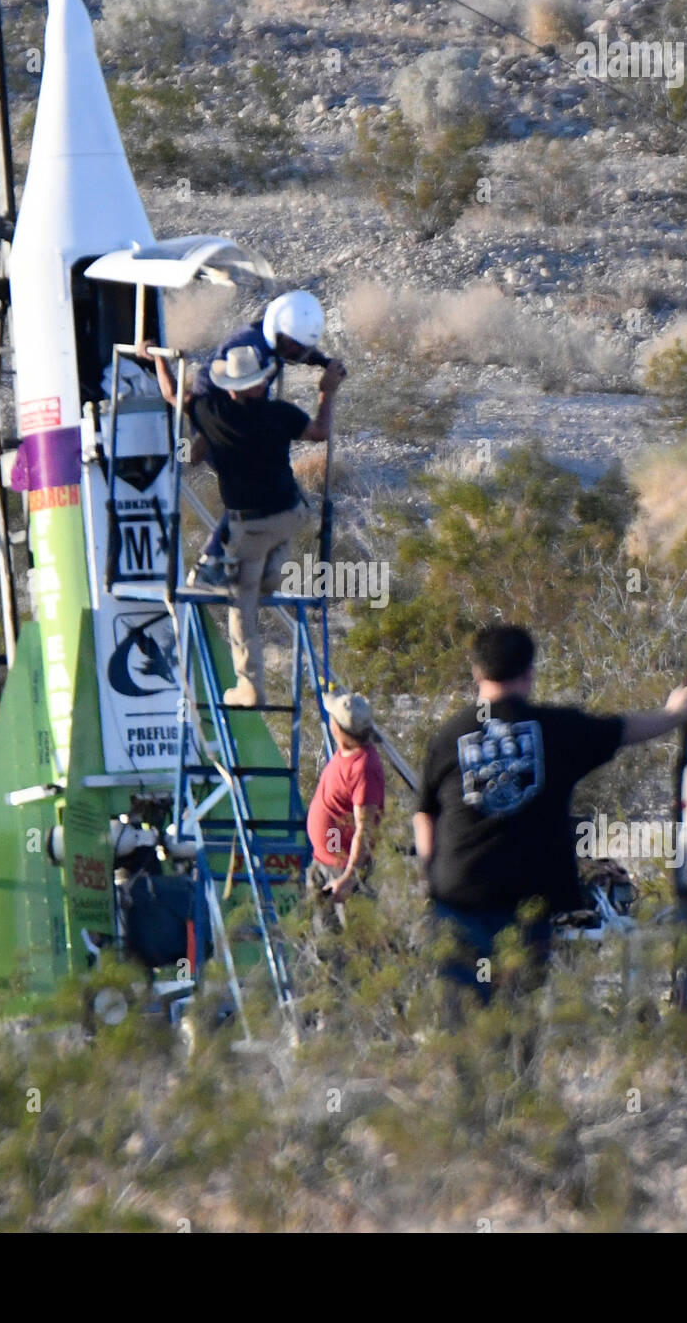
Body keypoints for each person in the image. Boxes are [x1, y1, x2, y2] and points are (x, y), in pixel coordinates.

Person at [413, 623, 687, 1004]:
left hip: (457, 895)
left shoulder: (447, 735)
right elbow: (623, 729)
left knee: (464, 1015)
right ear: (530, 673)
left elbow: (424, 813)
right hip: (527, 901)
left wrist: (430, 873)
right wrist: (674, 714)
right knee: (518, 1013)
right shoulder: (557, 729)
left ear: (477, 672)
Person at [139, 338, 337, 707]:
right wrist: (327, 391)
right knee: (270, 559)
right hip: (291, 513)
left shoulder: (212, 412)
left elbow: (172, 394)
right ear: (263, 382)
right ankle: (272, 574)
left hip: (251, 527)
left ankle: (250, 687)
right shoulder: (281, 413)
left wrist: (157, 361)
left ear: (230, 387)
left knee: (240, 605)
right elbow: (319, 432)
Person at [186, 290, 347, 588]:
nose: (297, 354)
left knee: (265, 489)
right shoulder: (252, 352)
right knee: (253, 485)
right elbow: (222, 399)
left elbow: (297, 350)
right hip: (216, 415)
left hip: (236, 411)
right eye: (294, 347)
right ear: (279, 334)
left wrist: (323, 362)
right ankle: (212, 562)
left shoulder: (273, 336)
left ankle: (249, 566)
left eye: (301, 348)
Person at [306, 691, 385, 929]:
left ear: (337, 728)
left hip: (341, 870)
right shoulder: (346, 752)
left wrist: (349, 877)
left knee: (352, 946)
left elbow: (366, 827)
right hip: (325, 862)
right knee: (326, 945)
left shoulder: (364, 768)